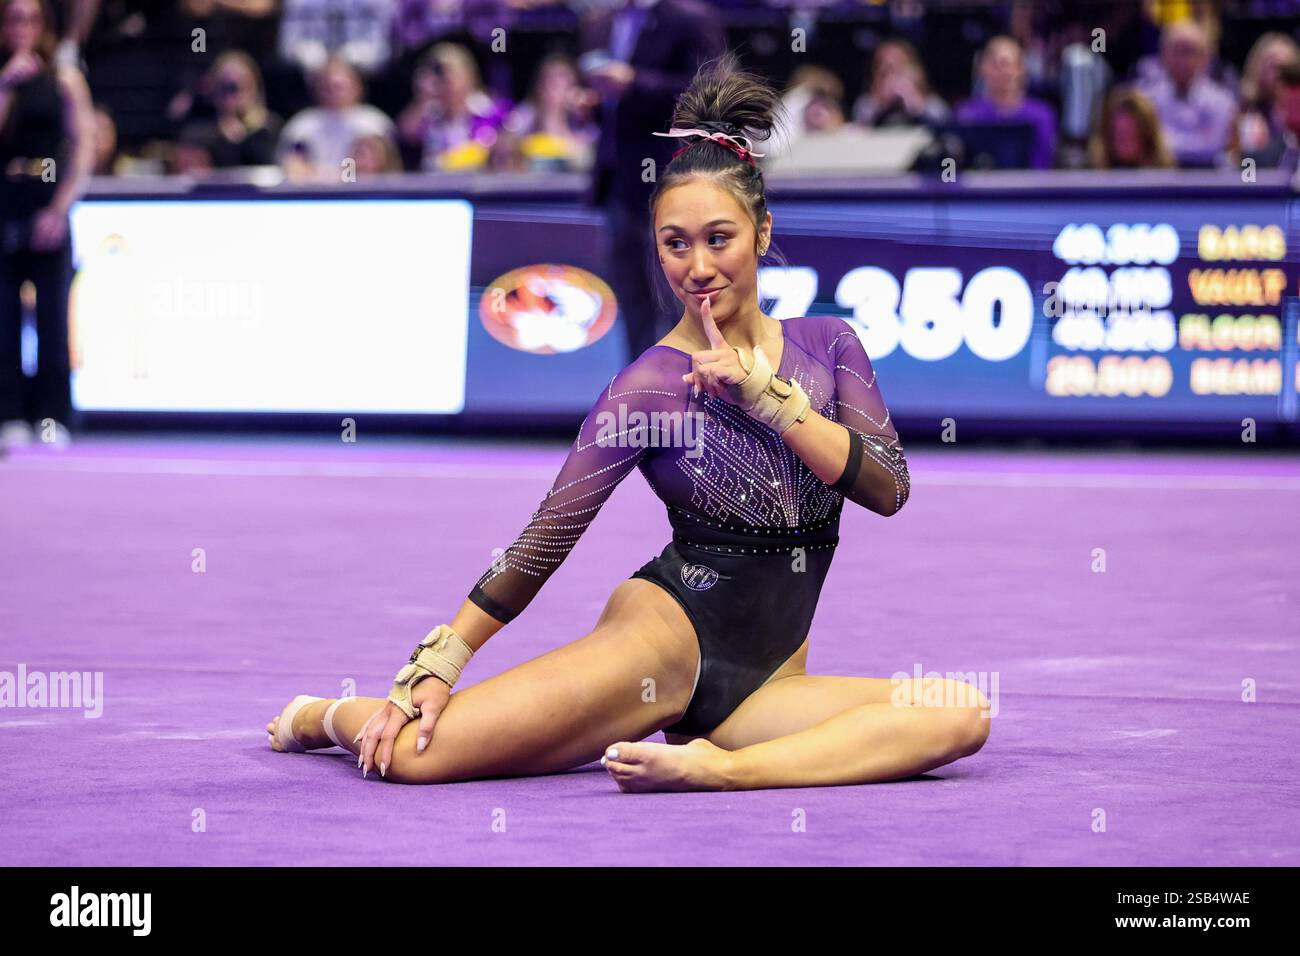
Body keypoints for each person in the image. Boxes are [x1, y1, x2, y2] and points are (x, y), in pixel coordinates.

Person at [266, 53, 991, 793]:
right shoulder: (649, 387)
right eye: (676, 243)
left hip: (767, 682)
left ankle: (720, 766)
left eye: (720, 238)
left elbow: (888, 488)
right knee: (417, 755)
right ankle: (323, 714)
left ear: (762, 233)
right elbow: (546, 537)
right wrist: (439, 661)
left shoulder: (828, 345)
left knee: (959, 715)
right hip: (662, 643)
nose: (699, 266)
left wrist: (768, 396)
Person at [0, 0, 94, 450]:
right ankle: (10, 412)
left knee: (54, 318)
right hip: (5, 201)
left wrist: (59, 209)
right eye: (14, 19)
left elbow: (82, 148)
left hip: (47, 200)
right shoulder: (3, 79)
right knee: (4, 318)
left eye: (31, 19)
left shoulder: (64, 80)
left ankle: (53, 415)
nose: (23, 28)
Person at [956, 34, 1057, 169]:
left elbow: (1042, 166)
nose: (1005, 72)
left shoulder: (1041, 115)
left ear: (1022, 69)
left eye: (1011, 65)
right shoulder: (966, 114)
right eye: (998, 65)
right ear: (982, 68)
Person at [1086, 86, 1174, 169]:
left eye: (1132, 134)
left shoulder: (1167, 178)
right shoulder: (1090, 176)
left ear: (1148, 134)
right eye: (1120, 134)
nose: (1125, 142)